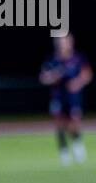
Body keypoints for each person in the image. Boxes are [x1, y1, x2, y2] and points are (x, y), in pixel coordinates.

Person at [39, 34, 92, 165]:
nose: (62, 44)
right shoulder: (52, 60)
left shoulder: (77, 58)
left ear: (70, 43)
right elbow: (44, 78)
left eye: (64, 42)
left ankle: (77, 145)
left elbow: (87, 74)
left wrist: (77, 83)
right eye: (59, 42)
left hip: (73, 96)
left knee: (75, 122)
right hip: (58, 96)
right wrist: (53, 76)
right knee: (60, 124)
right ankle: (63, 151)